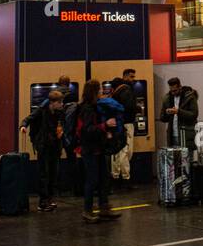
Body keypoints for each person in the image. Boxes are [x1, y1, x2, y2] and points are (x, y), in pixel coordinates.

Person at [75, 80, 121, 224]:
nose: (102, 91)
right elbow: (86, 131)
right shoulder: (87, 109)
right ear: (94, 91)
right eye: (99, 89)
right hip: (89, 149)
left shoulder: (94, 107)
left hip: (98, 148)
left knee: (104, 178)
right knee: (92, 179)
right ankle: (87, 210)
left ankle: (104, 208)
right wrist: (104, 126)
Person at [22, 85, 68, 212]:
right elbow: (28, 119)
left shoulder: (59, 112)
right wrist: (23, 126)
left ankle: (50, 198)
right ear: (53, 103)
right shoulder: (41, 110)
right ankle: (43, 201)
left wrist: (62, 131)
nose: (62, 104)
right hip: (43, 145)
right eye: (60, 102)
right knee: (44, 173)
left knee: (53, 173)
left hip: (55, 145)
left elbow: (62, 124)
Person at [109, 71, 138, 186]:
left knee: (117, 152)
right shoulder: (127, 90)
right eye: (131, 76)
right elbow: (130, 107)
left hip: (117, 124)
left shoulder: (115, 93)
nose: (133, 79)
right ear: (125, 77)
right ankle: (126, 178)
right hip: (127, 124)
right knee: (126, 152)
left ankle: (115, 176)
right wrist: (138, 108)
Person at [158, 76, 199, 154]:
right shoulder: (167, 98)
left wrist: (178, 111)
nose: (173, 93)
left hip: (186, 134)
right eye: (171, 91)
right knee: (174, 162)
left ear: (180, 87)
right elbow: (162, 118)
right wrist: (167, 113)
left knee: (187, 160)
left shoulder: (190, 97)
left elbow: (194, 115)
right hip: (172, 135)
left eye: (175, 90)